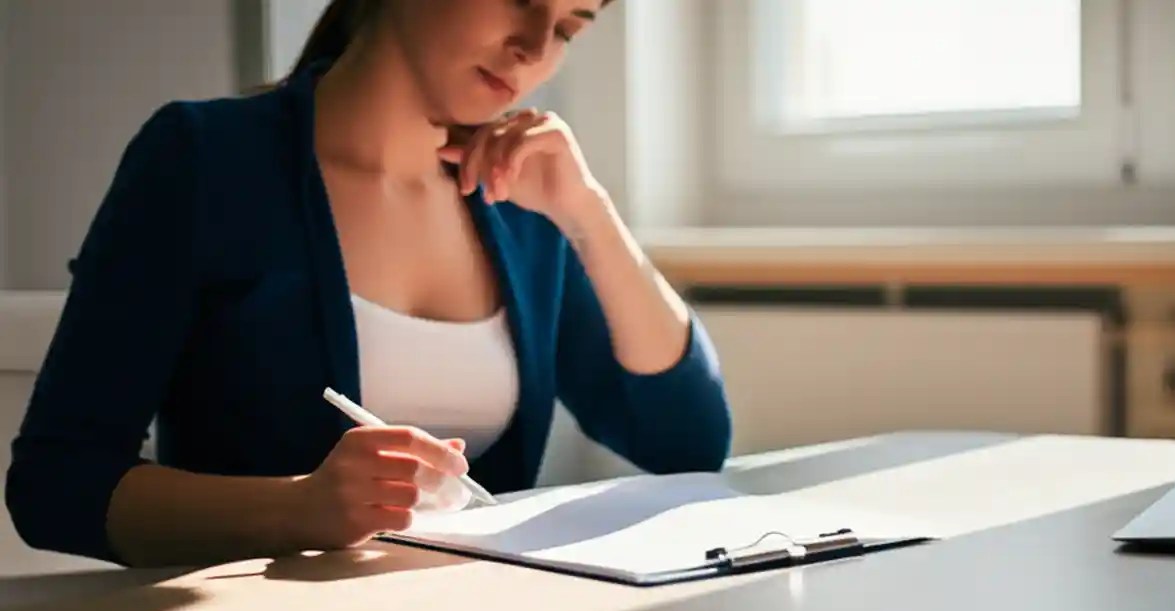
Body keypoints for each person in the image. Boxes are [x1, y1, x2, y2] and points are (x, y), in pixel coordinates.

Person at [5, 0, 731, 568]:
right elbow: (56, 485)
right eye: (519, 1)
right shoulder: (203, 161)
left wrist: (590, 216)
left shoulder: (522, 203)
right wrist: (299, 510)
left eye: (569, 28)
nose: (536, 49)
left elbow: (688, 440)